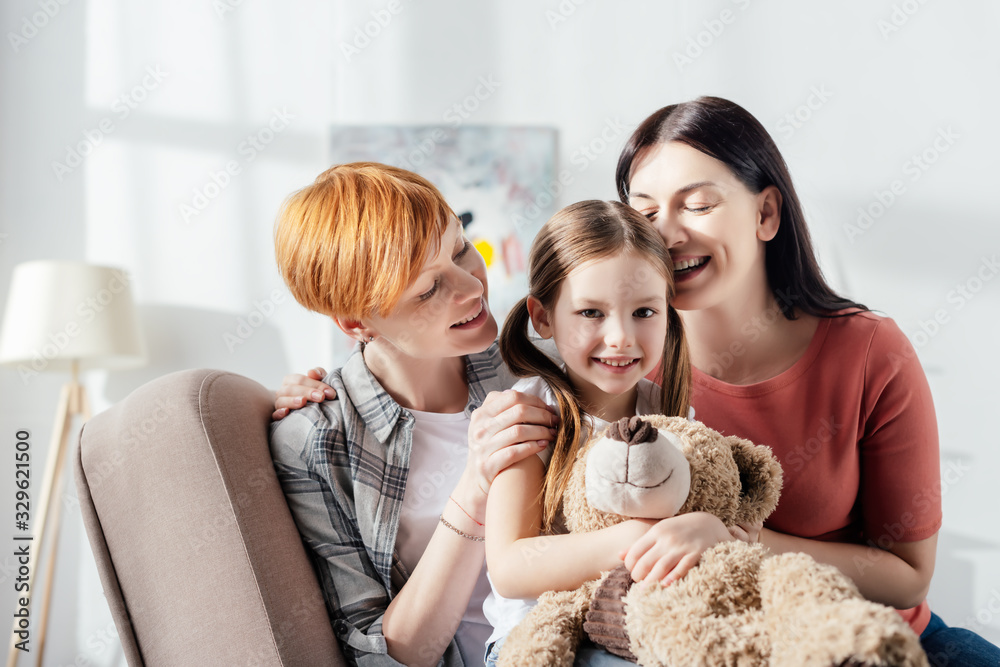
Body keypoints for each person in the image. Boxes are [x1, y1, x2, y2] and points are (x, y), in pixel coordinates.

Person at [275, 98, 1000, 664]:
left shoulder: (629, 377)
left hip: (804, 619)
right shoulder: (541, 387)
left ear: (767, 211)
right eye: (648, 210)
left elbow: (897, 571)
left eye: (465, 252)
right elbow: (472, 592)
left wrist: (725, 534)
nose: (470, 290)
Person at [269, 161, 561, 667]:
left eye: (461, 248)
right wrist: (475, 486)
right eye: (427, 290)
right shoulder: (316, 440)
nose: (472, 287)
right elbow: (388, 655)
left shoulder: (538, 356)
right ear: (357, 322)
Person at [481, 199, 753, 666]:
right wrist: (649, 535)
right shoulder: (530, 413)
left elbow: (730, 522)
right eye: (591, 313)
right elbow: (509, 568)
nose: (621, 337)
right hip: (541, 639)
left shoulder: (670, 413)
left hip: (639, 624)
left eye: (644, 312)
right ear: (543, 316)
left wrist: (712, 531)